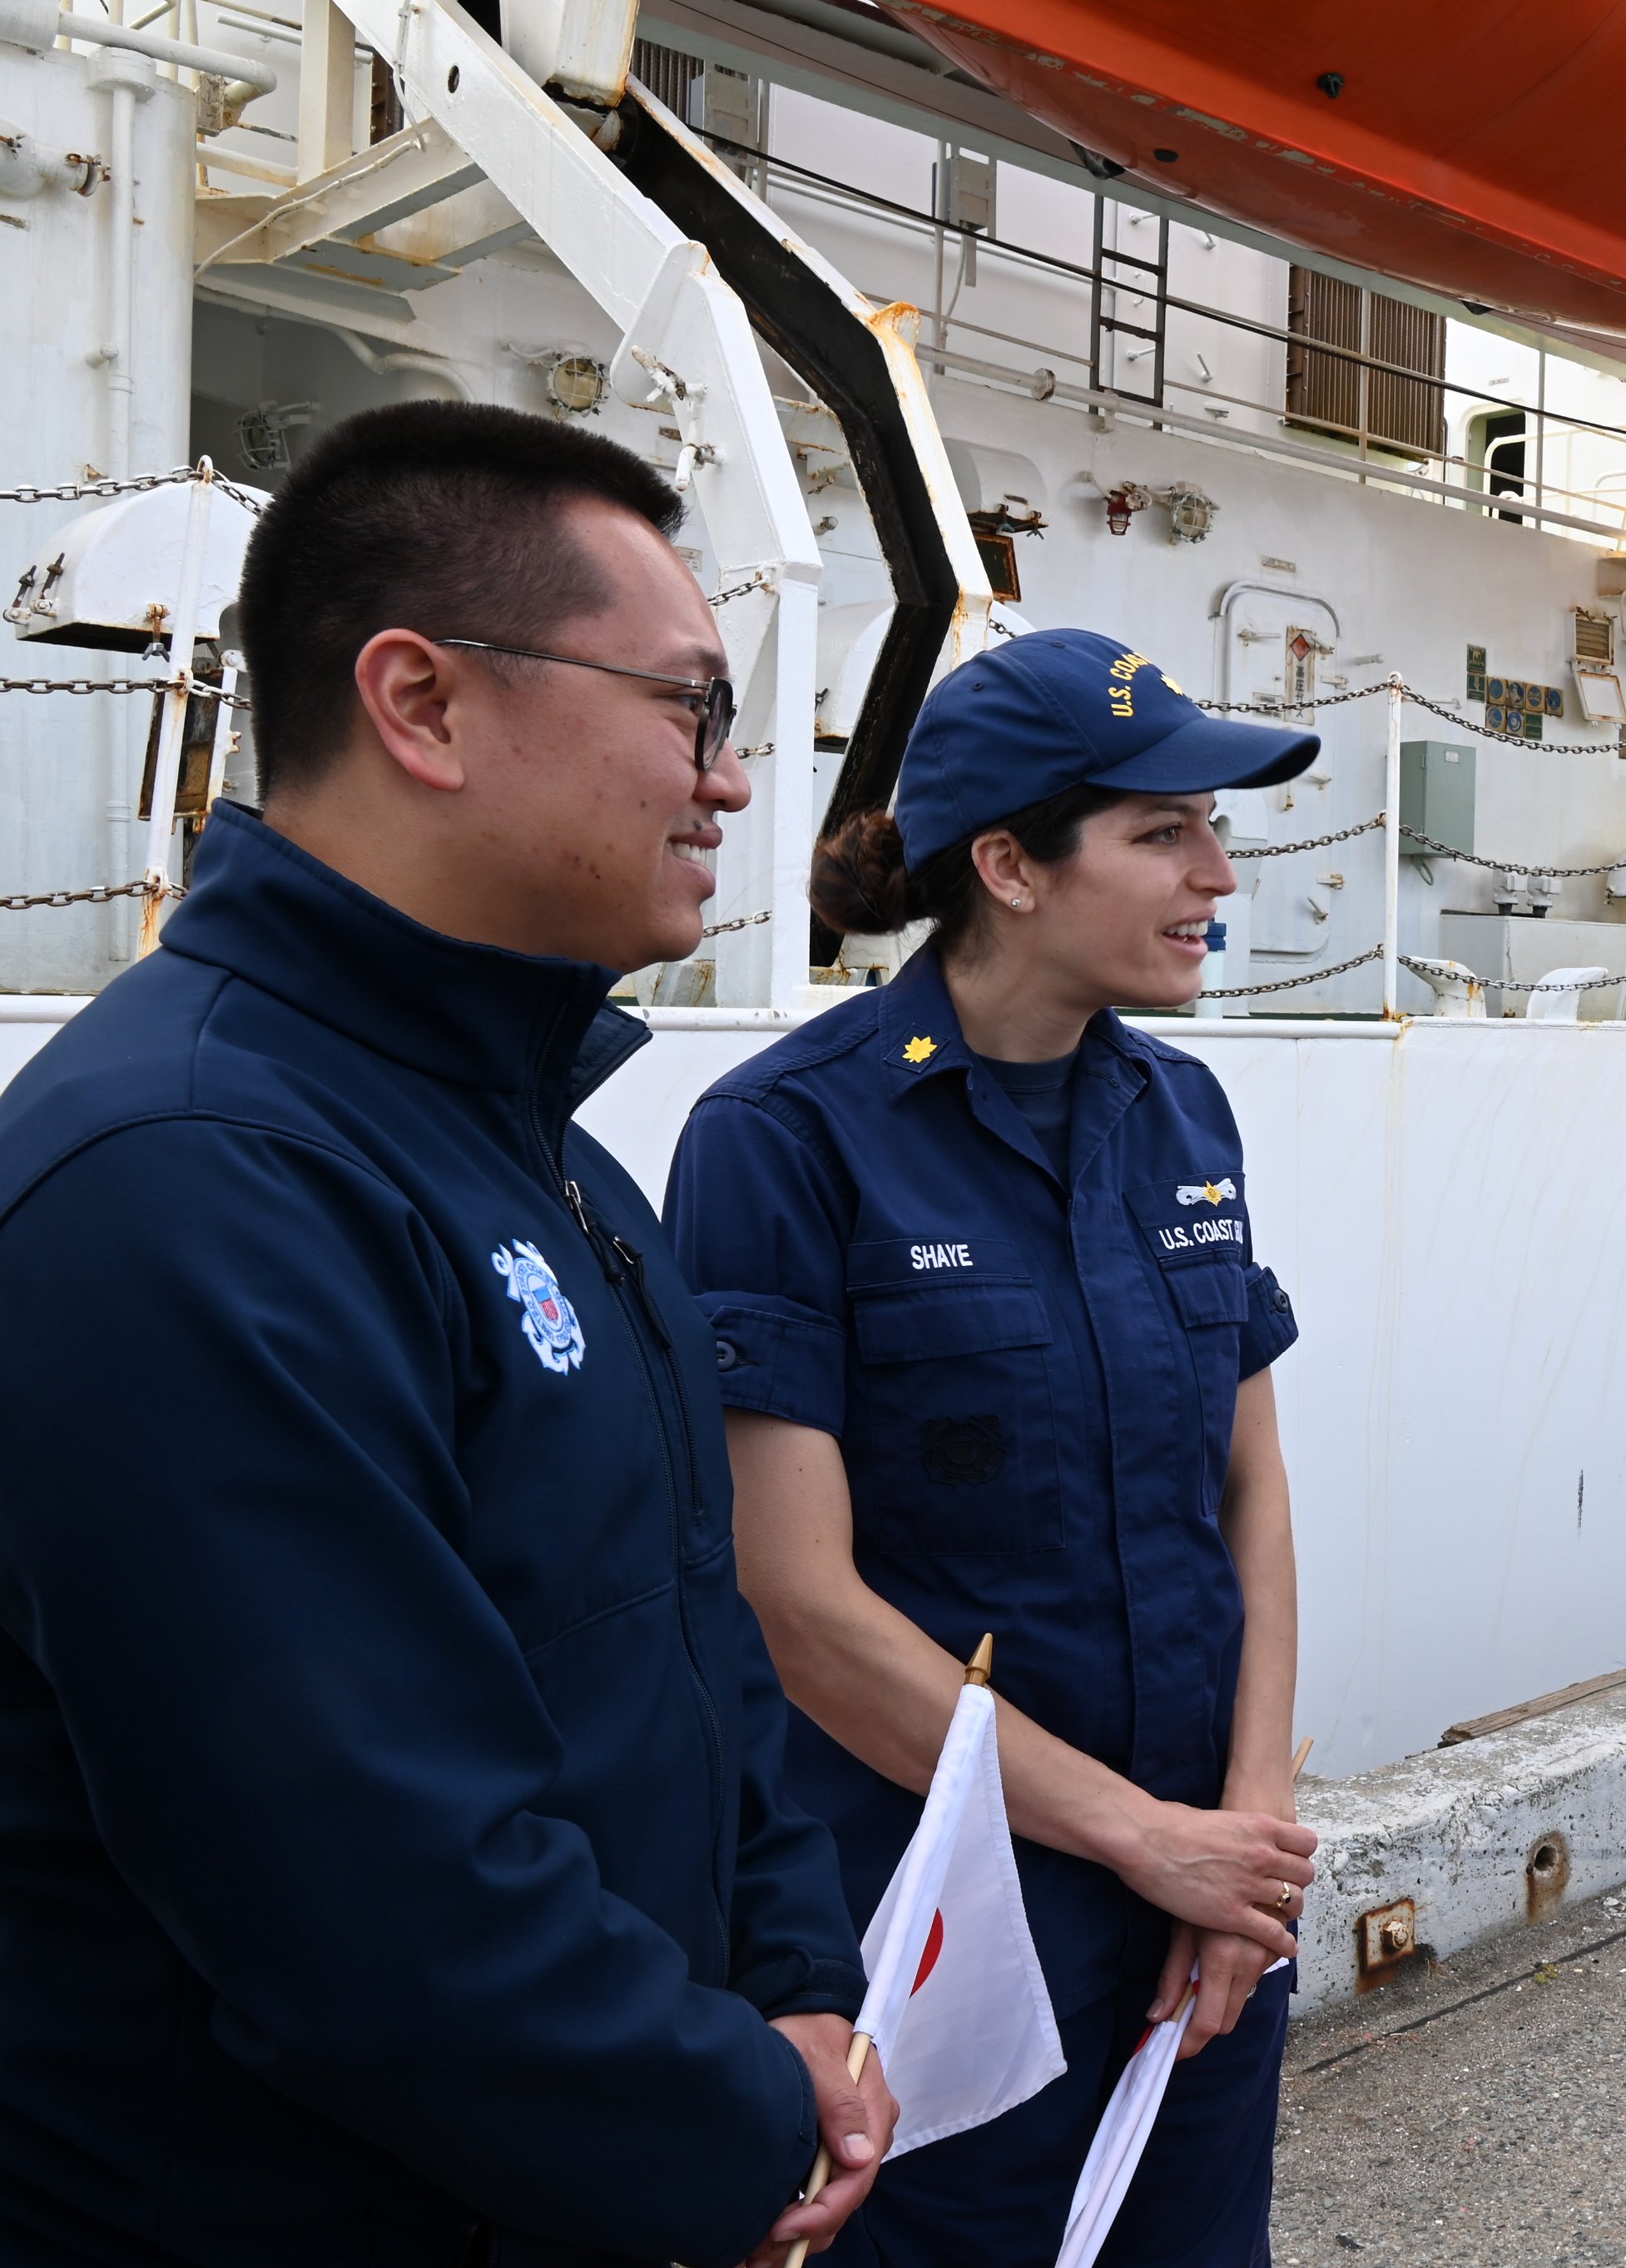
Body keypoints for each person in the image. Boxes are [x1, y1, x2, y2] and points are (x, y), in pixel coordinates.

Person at [0, 401, 895, 2263]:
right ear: (420, 704)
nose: (733, 784)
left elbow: (694, 1636)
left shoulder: (539, 1151)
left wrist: (801, 1989)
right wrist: (733, 2125)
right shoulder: (186, 1183)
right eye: (691, 710)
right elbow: (359, 1895)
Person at [669, 629, 1321, 2268]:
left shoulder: (1185, 1117)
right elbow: (796, 1605)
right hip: (941, 1933)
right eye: (1163, 833)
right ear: (1011, 864)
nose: (1217, 874)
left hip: (1196, 1913)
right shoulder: (783, 1142)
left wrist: (1238, 1839)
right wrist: (1140, 1833)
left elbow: (1246, 1489)